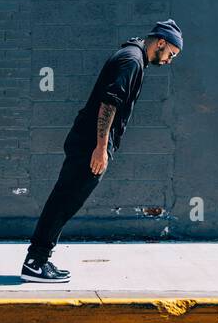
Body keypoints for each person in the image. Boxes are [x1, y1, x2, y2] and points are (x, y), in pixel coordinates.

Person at [21, 19, 183, 282]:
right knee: (64, 201)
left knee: (65, 200)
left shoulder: (133, 54)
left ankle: (39, 259)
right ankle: (36, 262)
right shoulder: (132, 60)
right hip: (90, 144)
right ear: (161, 42)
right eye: (171, 54)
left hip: (88, 141)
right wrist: (100, 148)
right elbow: (110, 102)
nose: (169, 60)